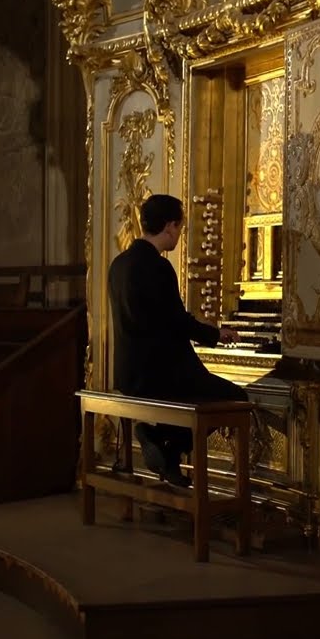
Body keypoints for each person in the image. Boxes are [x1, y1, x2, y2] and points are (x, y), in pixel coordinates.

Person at [108, 193, 247, 488]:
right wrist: (214, 334)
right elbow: (176, 321)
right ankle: (162, 440)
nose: (179, 235)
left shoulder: (118, 265)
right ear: (170, 226)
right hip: (158, 375)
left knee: (200, 392)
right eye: (180, 228)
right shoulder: (157, 267)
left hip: (128, 373)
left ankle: (166, 449)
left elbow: (153, 320)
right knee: (236, 398)